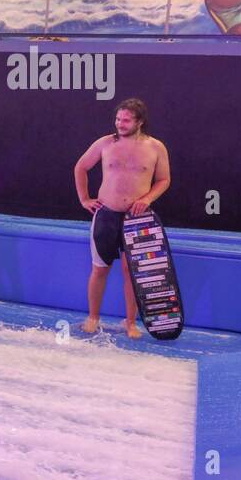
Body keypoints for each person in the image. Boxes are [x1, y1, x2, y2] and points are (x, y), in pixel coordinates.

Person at [73, 98, 171, 339]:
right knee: (99, 270)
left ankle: (130, 323)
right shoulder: (105, 143)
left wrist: (147, 199)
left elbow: (163, 180)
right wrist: (84, 199)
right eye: (118, 119)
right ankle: (93, 317)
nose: (120, 124)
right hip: (106, 216)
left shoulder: (156, 147)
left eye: (126, 120)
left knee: (132, 273)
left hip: (137, 219)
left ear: (139, 121)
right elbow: (80, 167)